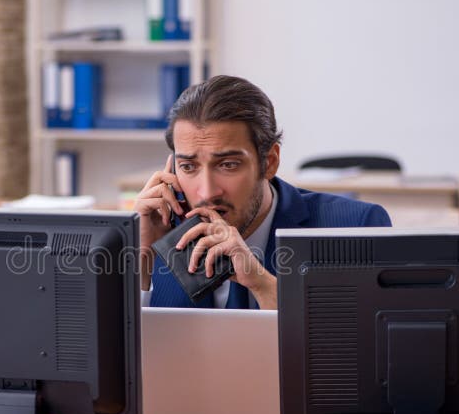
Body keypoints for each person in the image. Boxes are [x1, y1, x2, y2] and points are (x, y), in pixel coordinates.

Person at [135, 75, 391, 310]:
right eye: (188, 167)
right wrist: (141, 259)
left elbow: (366, 351)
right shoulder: (160, 232)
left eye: (228, 165)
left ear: (269, 162)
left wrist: (261, 283)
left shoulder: (356, 228)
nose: (206, 192)